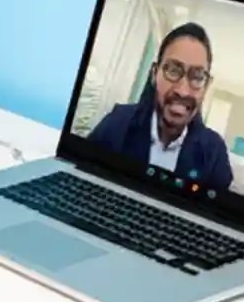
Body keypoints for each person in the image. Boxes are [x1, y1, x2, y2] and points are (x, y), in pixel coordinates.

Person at [87, 22, 235, 190]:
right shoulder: (117, 123)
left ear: (206, 85)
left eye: (197, 77)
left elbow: (216, 213)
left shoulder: (214, 152)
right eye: (173, 70)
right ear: (154, 74)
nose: (183, 91)